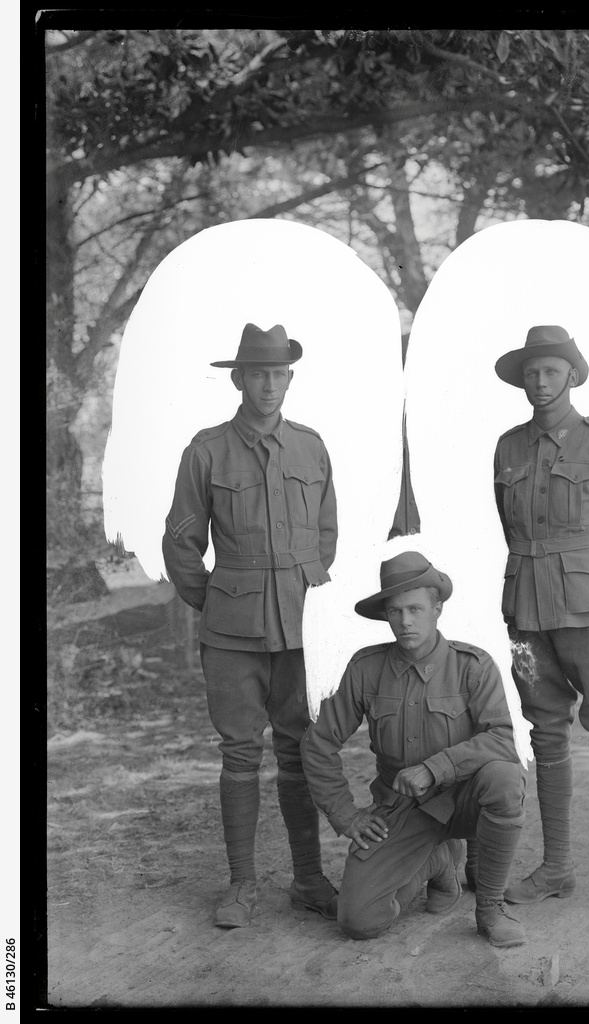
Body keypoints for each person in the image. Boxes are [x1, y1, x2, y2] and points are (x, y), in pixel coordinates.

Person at [162, 322, 339, 928]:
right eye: (258, 374)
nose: (269, 385)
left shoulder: (311, 447)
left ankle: (308, 879)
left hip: (299, 625)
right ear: (238, 379)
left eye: (279, 374)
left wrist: (304, 589)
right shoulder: (206, 450)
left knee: (299, 748)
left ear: (290, 379)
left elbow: (325, 536)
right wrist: (219, 600)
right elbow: (181, 542)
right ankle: (241, 885)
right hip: (232, 630)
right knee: (240, 751)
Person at [491, 324, 589, 916]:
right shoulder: (508, 448)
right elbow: (512, 530)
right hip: (526, 619)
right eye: (532, 372)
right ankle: (556, 867)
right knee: (546, 731)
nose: (540, 381)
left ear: (572, 376)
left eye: (551, 371)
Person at [301, 551, 528, 947]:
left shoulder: (472, 666)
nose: (405, 621)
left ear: (437, 609)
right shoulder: (366, 669)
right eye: (395, 611)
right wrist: (345, 815)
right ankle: (438, 862)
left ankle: (491, 908)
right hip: (403, 808)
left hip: (465, 799)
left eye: (415, 609)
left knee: (505, 780)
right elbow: (318, 743)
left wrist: (436, 767)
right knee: (358, 920)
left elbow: (504, 739)